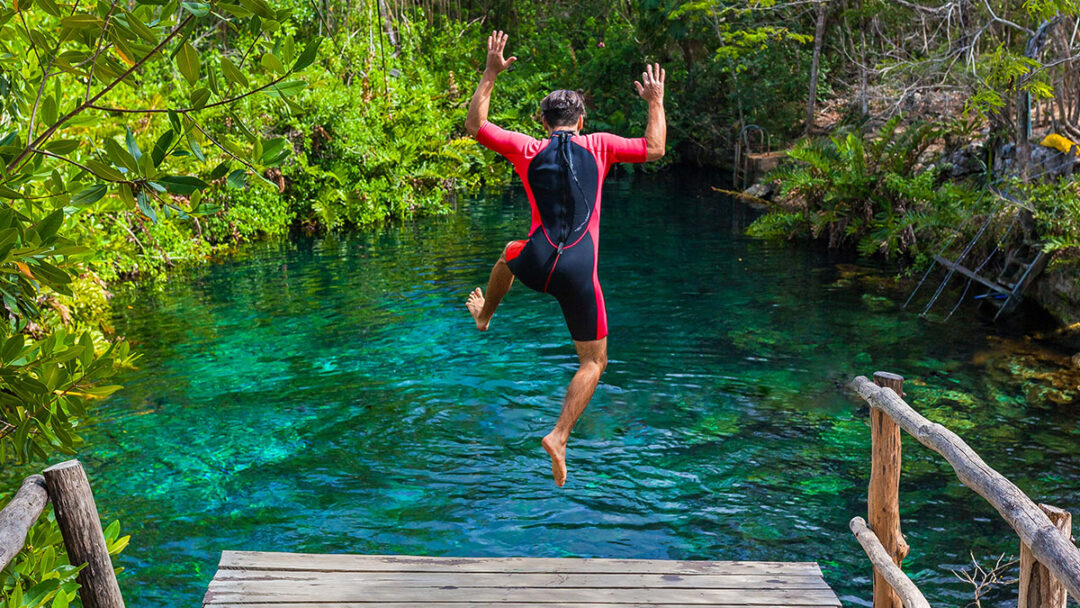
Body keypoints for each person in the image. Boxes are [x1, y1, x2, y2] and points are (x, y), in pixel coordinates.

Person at [464, 31, 666, 487]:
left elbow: (476, 125)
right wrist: (655, 101)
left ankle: (485, 316)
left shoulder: (527, 148)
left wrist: (491, 73)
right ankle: (559, 436)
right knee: (593, 362)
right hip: (578, 273)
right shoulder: (600, 146)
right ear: (582, 120)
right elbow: (654, 148)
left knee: (508, 254)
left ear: (543, 120)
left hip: (536, 263)